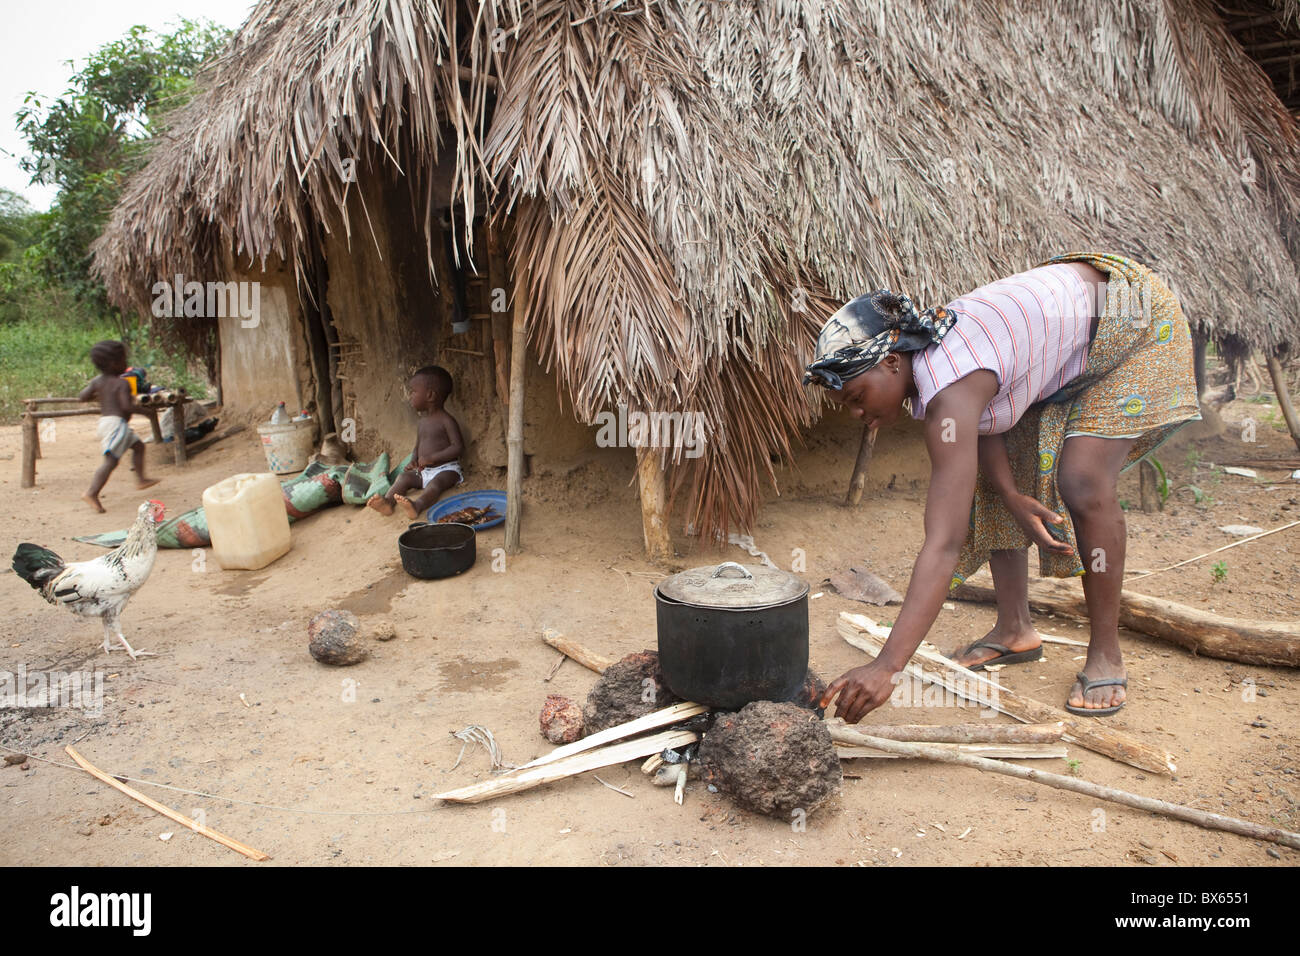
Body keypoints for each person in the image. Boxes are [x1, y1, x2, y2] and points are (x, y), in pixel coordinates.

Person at [808, 253, 1200, 721]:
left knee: (1082, 480)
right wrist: (1011, 493)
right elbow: (985, 422)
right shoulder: (939, 367)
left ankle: (1106, 653)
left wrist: (887, 666)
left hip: (1131, 317)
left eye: (856, 397)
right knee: (990, 487)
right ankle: (1015, 630)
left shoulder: (950, 388)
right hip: (1079, 328)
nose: (856, 413)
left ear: (892, 362)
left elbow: (944, 544)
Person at [367, 365, 465, 519]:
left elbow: (458, 447)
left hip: (447, 469)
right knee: (403, 478)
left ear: (430, 395)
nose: (410, 396)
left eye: (413, 392)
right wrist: (413, 460)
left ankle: (417, 505)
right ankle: (388, 502)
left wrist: (433, 458)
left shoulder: (446, 420)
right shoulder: (422, 422)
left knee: (436, 484)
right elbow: (417, 446)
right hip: (424, 471)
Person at [79, 340, 160, 513]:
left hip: (108, 423)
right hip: (116, 425)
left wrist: (98, 392)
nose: (126, 363)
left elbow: (82, 396)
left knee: (139, 446)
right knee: (111, 461)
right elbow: (126, 406)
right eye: (124, 359)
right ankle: (91, 492)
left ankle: (141, 479)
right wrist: (146, 412)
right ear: (114, 363)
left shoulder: (97, 381)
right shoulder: (121, 383)